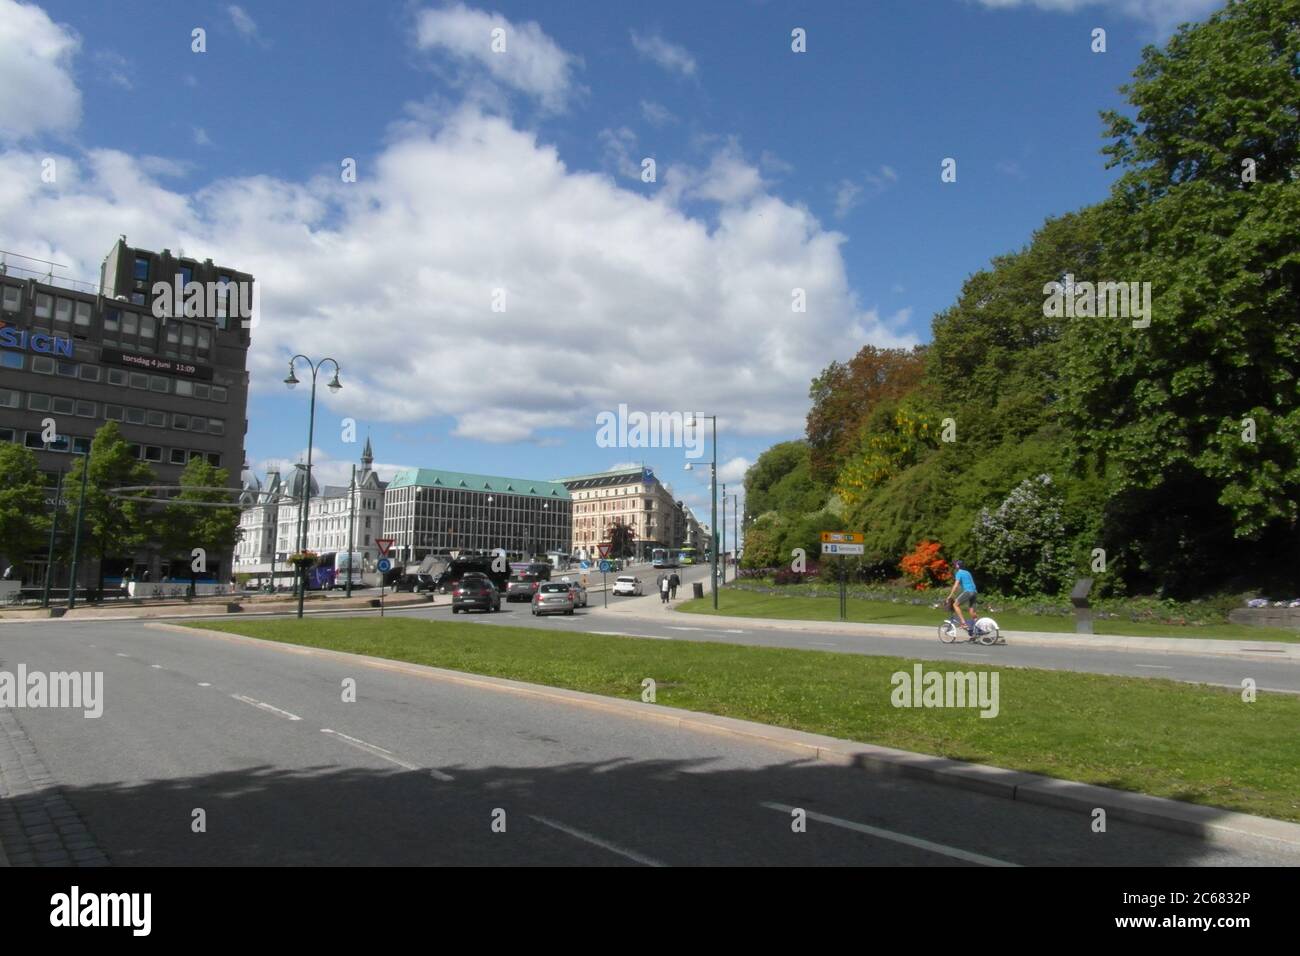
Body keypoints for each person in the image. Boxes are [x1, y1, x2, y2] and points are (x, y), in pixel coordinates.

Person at [946, 560, 979, 638]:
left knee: (955, 604)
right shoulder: (967, 572)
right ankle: (978, 625)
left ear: (957, 566)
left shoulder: (959, 573)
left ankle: (963, 623)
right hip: (974, 592)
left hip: (968, 591)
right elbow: (971, 582)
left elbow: (956, 585)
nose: (955, 566)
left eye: (955, 565)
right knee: (971, 611)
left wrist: (950, 595)